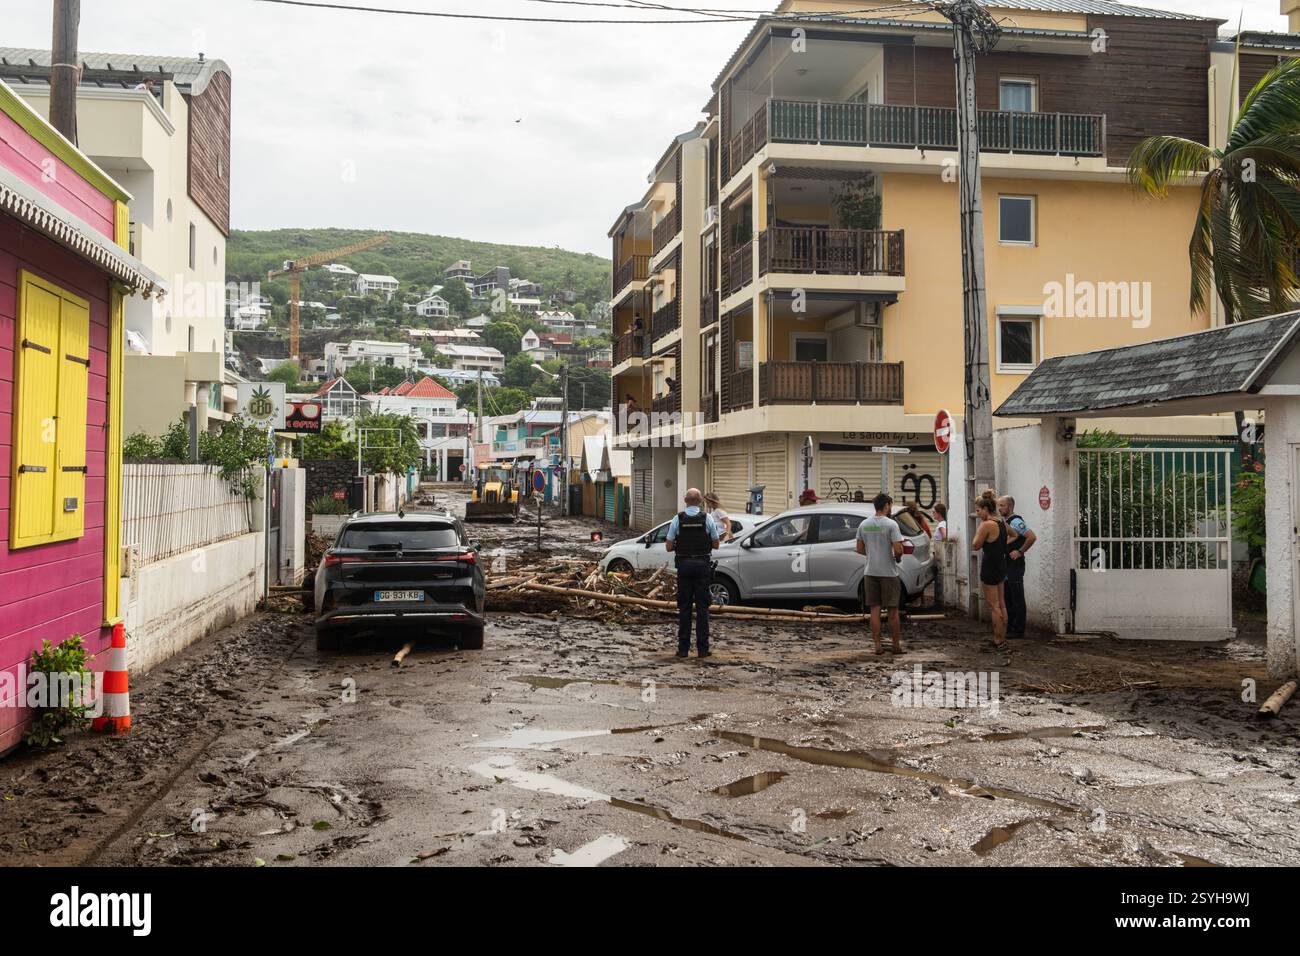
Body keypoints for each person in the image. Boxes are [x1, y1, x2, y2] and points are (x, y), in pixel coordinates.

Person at [665, 488, 721, 658]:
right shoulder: (708, 518)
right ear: (700, 502)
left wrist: (680, 545)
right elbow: (716, 544)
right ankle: (703, 650)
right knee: (703, 609)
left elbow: (668, 546)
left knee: (685, 609)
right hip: (703, 567)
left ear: (685, 500)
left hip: (684, 567)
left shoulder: (678, 519)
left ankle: (683, 650)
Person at [855, 492, 905, 655]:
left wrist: (872, 555)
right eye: (890, 505)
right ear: (886, 506)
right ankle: (896, 645)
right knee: (892, 611)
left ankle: (877, 645)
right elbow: (898, 549)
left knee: (874, 610)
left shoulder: (864, 525)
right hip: (889, 573)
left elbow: (859, 549)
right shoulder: (891, 525)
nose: (890, 508)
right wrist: (897, 557)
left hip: (870, 572)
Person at [971, 490, 1009, 650]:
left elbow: (975, 545)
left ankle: (998, 640)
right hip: (1000, 564)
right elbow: (1013, 534)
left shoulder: (986, 525)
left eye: (978, 510)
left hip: (990, 566)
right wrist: (1000, 547)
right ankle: (1002, 638)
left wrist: (981, 532)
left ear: (986, 509)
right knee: (1002, 604)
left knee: (993, 606)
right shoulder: (1001, 523)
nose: (977, 513)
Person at [998, 495, 1037, 639]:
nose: (1000, 508)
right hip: (1007, 566)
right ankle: (1010, 627)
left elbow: (1031, 537)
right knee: (1008, 597)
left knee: (1017, 597)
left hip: (1015, 566)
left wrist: (1020, 551)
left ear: (1010, 507)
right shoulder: (1005, 522)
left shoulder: (1016, 521)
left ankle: (1019, 629)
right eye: (999, 505)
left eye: (1002, 505)